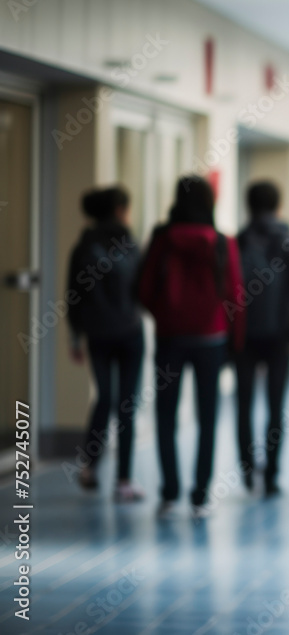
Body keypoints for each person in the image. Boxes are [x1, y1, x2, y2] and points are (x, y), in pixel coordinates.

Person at [138, 176, 245, 518]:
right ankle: (200, 496)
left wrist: (164, 314)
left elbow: (142, 287)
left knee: (165, 416)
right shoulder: (222, 242)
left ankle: (169, 494)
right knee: (207, 416)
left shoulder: (162, 238)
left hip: (170, 337)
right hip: (211, 340)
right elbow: (236, 294)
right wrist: (236, 340)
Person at [234, 181, 289, 497]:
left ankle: (247, 469)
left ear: (248, 206)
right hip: (280, 338)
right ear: (279, 206)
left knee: (243, 404)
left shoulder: (237, 242)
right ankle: (272, 476)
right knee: (275, 406)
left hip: (244, 339)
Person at [67, 187, 145, 502]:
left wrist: (75, 336)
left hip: (96, 333)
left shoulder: (83, 246)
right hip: (130, 332)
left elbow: (73, 295)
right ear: (118, 209)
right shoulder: (130, 243)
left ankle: (89, 466)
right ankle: (124, 479)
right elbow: (142, 288)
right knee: (127, 405)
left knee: (104, 398)